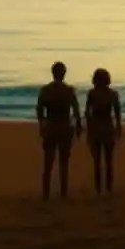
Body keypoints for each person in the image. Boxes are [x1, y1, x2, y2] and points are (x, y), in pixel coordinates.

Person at [36, 61, 81, 200]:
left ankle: (46, 193)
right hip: (64, 127)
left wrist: (42, 124)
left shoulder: (46, 90)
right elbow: (76, 110)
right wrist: (78, 125)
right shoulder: (69, 90)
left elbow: (39, 109)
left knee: (48, 161)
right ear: (64, 74)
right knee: (64, 162)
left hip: (51, 126)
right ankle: (63, 192)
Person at [84, 67, 122, 196]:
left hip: (96, 127)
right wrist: (118, 128)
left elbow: (87, 113)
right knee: (109, 160)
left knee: (97, 161)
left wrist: (88, 129)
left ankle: (98, 189)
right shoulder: (113, 94)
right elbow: (117, 113)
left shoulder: (92, 94)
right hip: (108, 127)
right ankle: (109, 188)